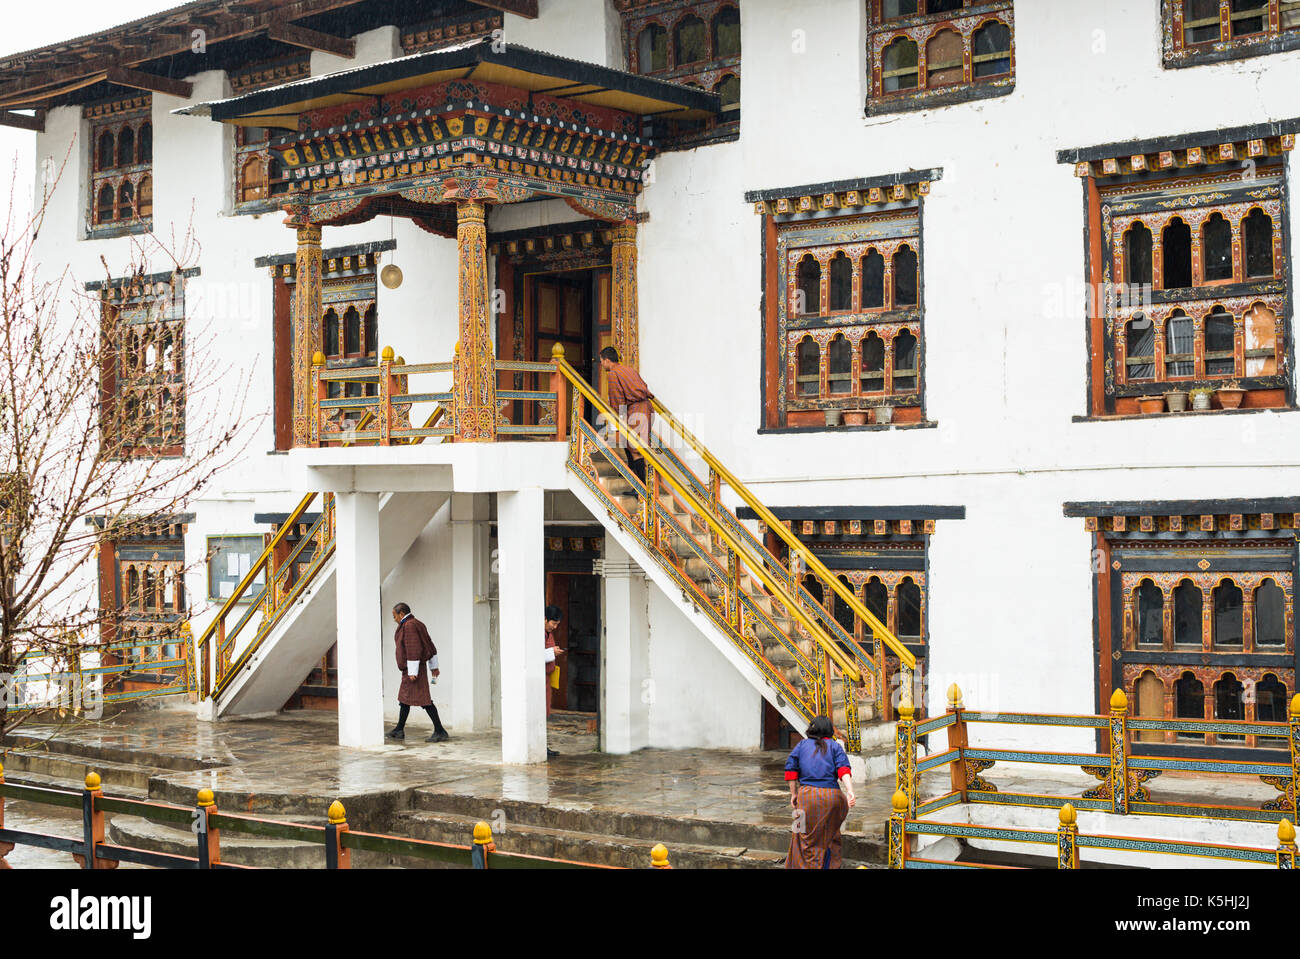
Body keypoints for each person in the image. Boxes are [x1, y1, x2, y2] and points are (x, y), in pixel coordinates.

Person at [783, 716, 855, 869]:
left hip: (806, 797)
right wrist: (850, 791)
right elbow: (843, 770)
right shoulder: (835, 746)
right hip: (833, 797)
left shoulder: (802, 745)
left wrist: (794, 794)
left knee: (803, 835)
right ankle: (830, 864)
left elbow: (791, 772)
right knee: (831, 832)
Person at [386, 602, 450, 742]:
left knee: (424, 700)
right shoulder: (417, 623)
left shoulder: (409, 625)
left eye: (394, 616)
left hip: (413, 671)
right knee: (404, 700)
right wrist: (434, 666)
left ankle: (440, 731)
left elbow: (413, 648)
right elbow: (430, 644)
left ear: (401, 613)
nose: (394, 619)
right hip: (412, 669)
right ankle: (399, 729)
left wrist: (412, 672)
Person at [598, 346, 653, 485]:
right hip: (645, 408)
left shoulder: (613, 374)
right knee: (630, 443)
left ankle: (641, 488)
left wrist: (618, 421)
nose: (602, 364)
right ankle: (632, 473)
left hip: (635, 411)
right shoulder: (628, 369)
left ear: (606, 360)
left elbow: (617, 400)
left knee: (636, 450)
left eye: (601, 361)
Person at [544, 604, 566, 759]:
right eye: (554, 623)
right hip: (540, 677)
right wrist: (551, 652)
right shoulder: (538, 632)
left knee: (545, 711)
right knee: (540, 711)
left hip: (547, 676)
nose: (555, 627)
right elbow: (531, 655)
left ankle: (543, 744)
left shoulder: (548, 633)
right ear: (545, 619)